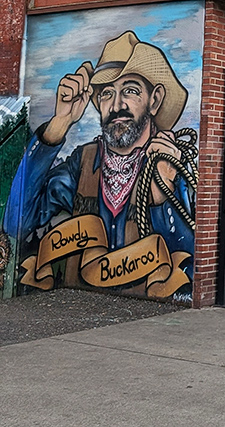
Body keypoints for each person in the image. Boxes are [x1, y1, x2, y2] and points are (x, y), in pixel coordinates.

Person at [4, 30, 196, 293]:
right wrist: (58, 126)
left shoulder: (172, 164)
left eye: (129, 91)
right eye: (106, 93)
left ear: (155, 100)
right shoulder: (83, 162)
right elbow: (17, 222)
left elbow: (191, 270)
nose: (117, 105)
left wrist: (163, 197)